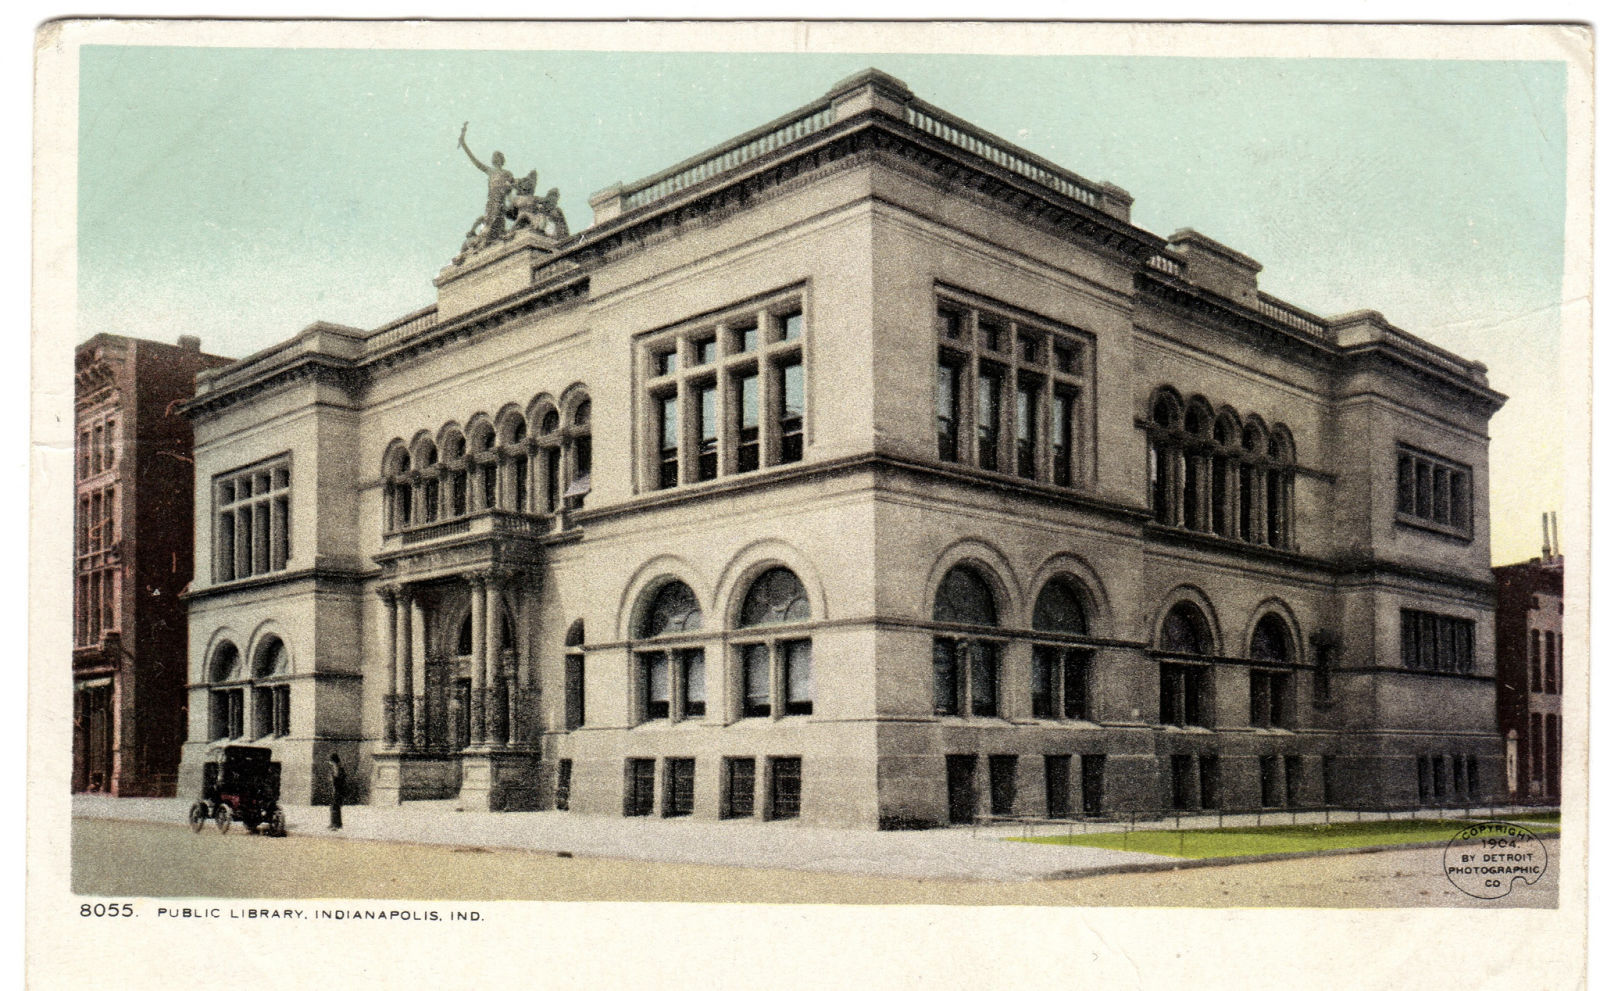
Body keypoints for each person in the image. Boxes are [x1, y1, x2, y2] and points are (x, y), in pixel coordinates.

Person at [458, 122, 514, 245]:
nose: (495, 159)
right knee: (491, 220)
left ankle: (494, 238)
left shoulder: (507, 173)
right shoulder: (490, 171)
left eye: (497, 157)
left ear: (501, 160)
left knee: (498, 220)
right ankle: (485, 240)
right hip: (492, 200)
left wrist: (511, 199)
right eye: (494, 157)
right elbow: (474, 160)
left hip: (501, 200)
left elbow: (511, 191)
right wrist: (463, 144)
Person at [327, 752, 346, 831]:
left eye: (330, 761)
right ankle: (337, 823)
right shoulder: (338, 767)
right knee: (335, 806)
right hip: (338, 789)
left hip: (337, 790)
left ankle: (335, 824)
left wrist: (332, 778)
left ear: (333, 760)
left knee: (334, 807)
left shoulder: (336, 767)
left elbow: (336, 778)